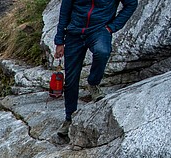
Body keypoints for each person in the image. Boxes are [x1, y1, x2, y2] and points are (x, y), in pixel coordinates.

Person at [53, 0, 139, 139]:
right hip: (74, 32)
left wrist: (112, 27)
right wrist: (59, 41)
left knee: (102, 51)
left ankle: (93, 83)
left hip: (99, 31)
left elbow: (131, 4)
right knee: (71, 80)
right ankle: (69, 119)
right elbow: (64, 12)